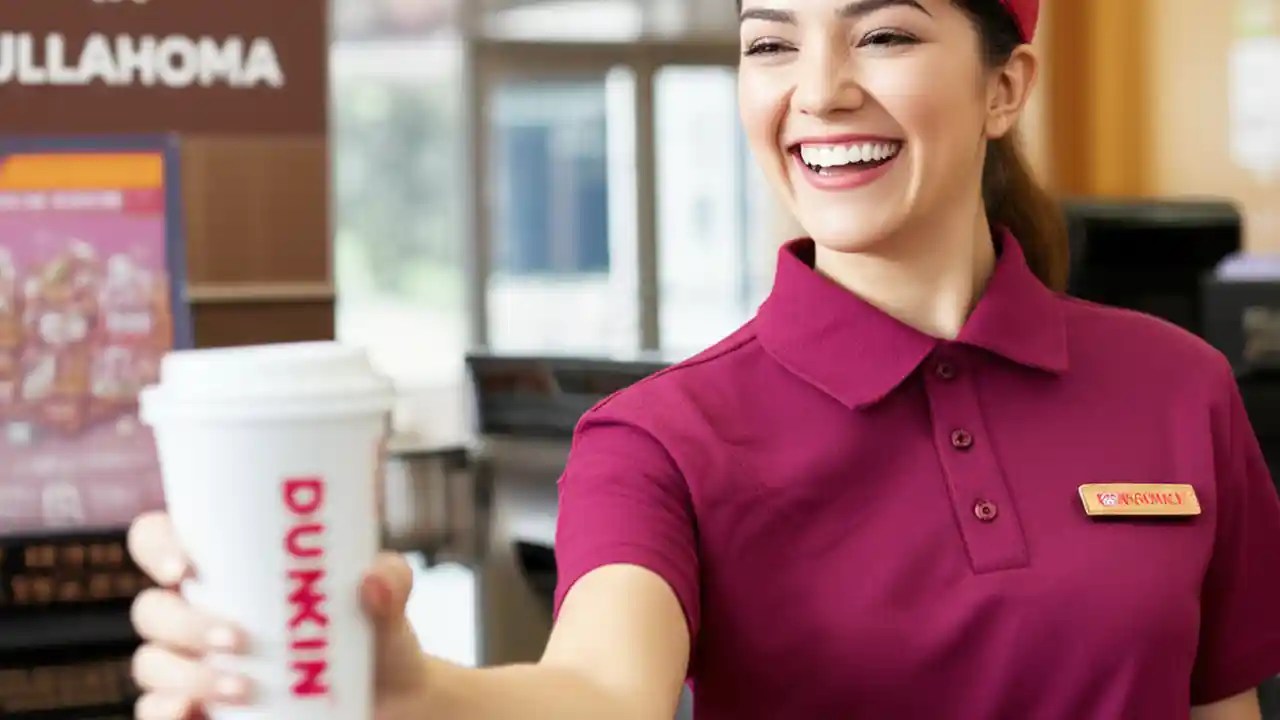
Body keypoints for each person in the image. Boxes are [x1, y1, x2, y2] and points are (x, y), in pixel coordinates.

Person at [126, 0, 1280, 718]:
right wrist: (409, 694)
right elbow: (596, 694)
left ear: (1002, 88)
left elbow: (1213, 707)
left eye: (880, 32)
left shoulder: (1178, 388)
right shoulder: (659, 440)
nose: (817, 90)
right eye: (769, 42)